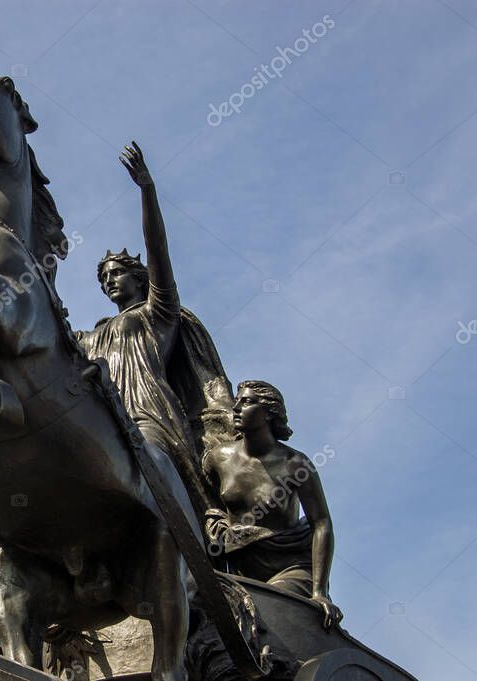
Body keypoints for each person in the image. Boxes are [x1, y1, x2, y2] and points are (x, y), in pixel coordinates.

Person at [76, 142, 231, 517]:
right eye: (104, 278)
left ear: (139, 277)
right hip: (102, 415)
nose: (110, 281)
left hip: (148, 413)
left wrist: (147, 190)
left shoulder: (157, 313)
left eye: (117, 273)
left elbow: (157, 247)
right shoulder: (90, 337)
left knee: (147, 458)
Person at [201, 380, 343, 629]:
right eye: (237, 401)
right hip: (242, 569)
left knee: (266, 612)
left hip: (290, 567)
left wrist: (319, 592)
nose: (237, 408)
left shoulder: (295, 464)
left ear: (268, 413)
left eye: (247, 402)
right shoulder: (217, 459)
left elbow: (321, 523)